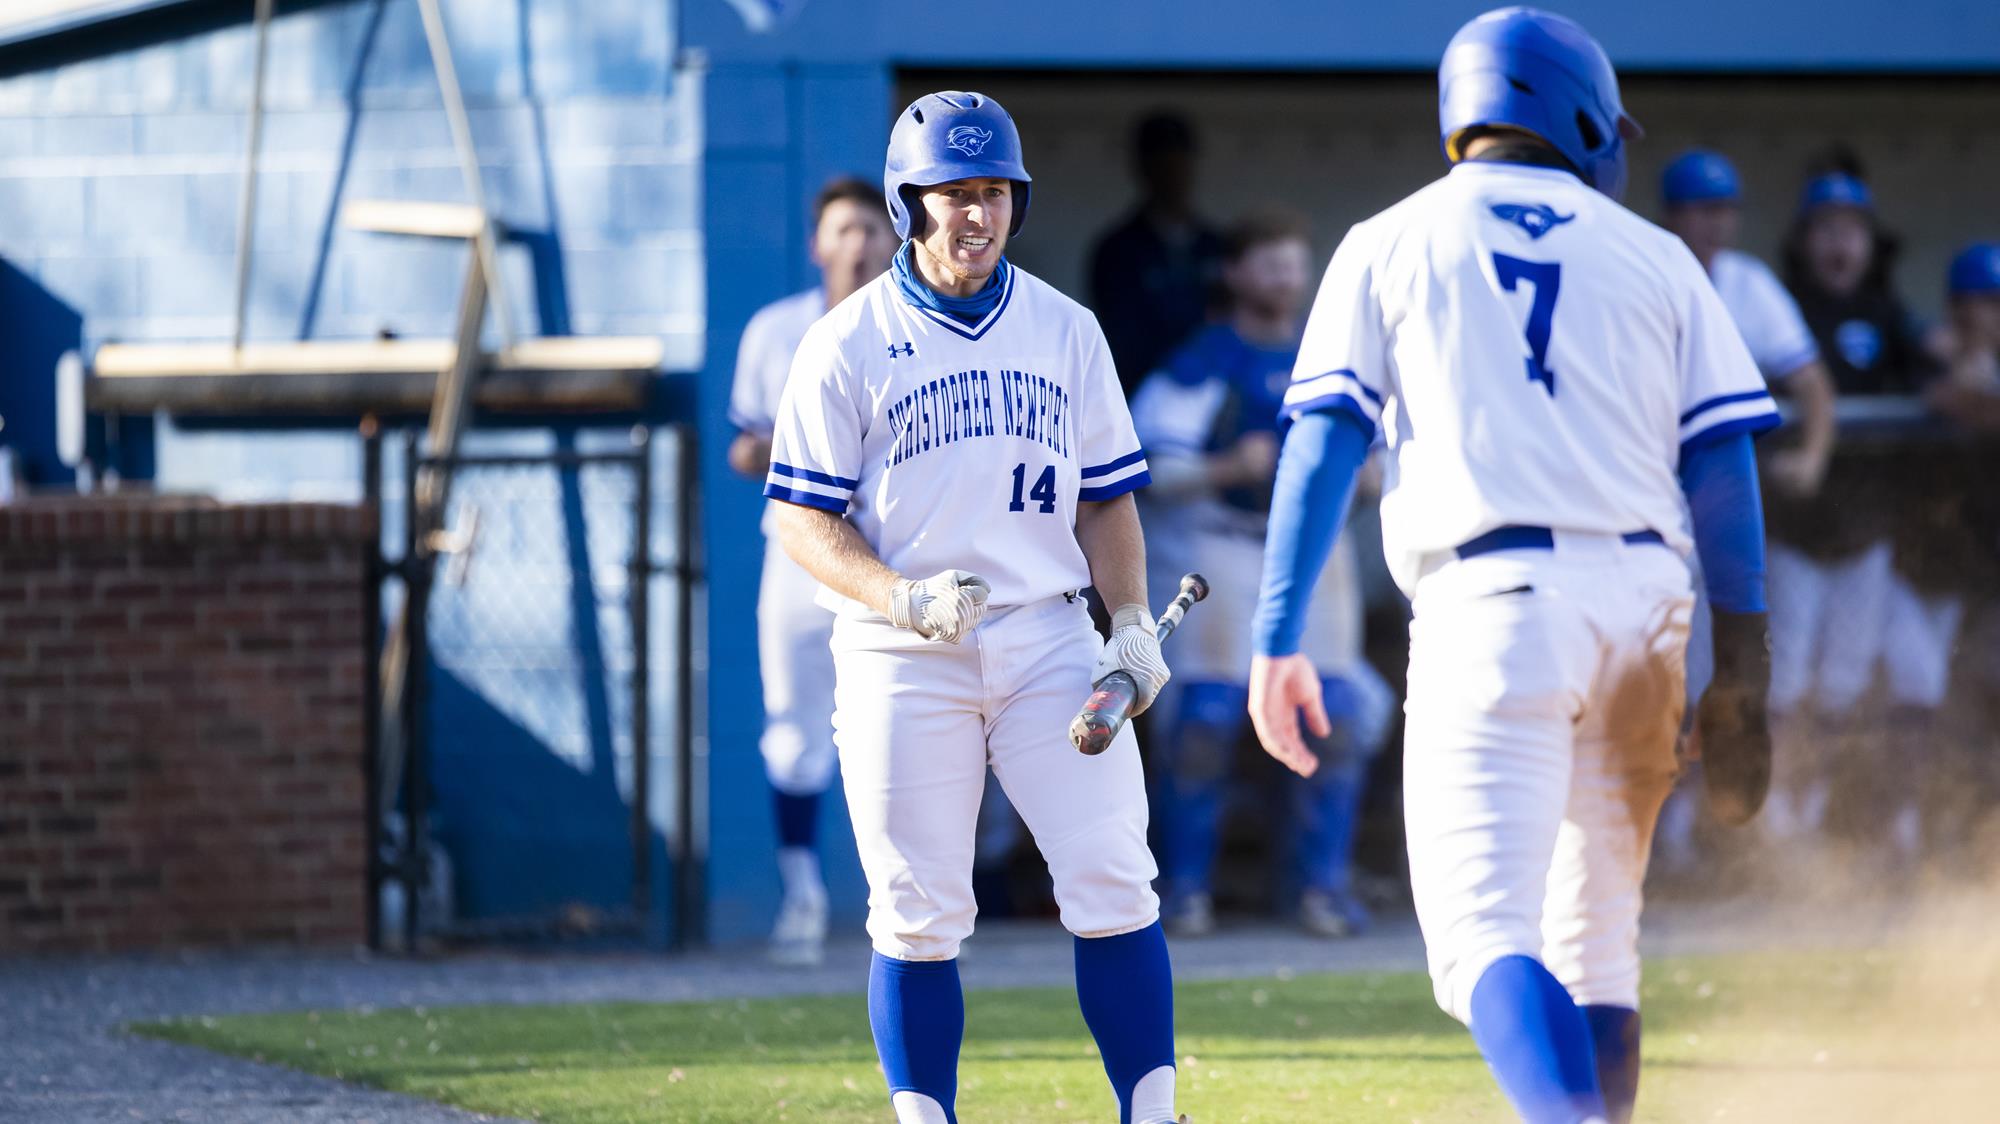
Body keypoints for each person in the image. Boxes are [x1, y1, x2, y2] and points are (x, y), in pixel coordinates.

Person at [1246, 10, 1778, 1123]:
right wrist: (1746, 666)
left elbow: (1320, 442)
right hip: (1648, 610)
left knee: (1482, 932)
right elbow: (1722, 467)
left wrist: (1275, 636)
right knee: (1595, 945)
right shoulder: (1657, 253)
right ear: (1573, 111)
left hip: (1492, 600)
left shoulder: (1387, 237)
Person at [764, 91, 1184, 1124]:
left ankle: (1152, 1107)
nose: (975, 215)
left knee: (1111, 877)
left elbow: (1106, 496)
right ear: (910, 203)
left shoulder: (1064, 327)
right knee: (916, 910)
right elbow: (801, 523)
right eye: (953, 194)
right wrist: (899, 597)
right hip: (900, 648)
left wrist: (1127, 617)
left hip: (1044, 632)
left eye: (992, 192)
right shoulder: (844, 340)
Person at [1130, 208, 1393, 939]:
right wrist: (1225, 467)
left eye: (1292, 259)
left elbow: (1386, 449)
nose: (1283, 274)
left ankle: (1318, 887)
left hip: (1309, 551)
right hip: (1218, 547)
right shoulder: (1206, 358)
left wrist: (1369, 476)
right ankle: (1184, 890)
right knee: (1204, 725)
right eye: (1266, 260)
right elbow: (1144, 463)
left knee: (1336, 716)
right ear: (1233, 274)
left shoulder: (1329, 350)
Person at [727, 176, 897, 965]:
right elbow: (744, 445)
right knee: (794, 727)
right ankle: (801, 894)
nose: (858, 242)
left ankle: (908, 902)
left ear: (894, 237)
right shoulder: (778, 329)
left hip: (889, 549)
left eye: (870, 226)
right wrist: (781, 451)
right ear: (817, 243)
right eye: (843, 228)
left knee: (905, 721)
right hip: (800, 546)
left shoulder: (912, 322)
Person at [1654, 150, 1838, 860]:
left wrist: (1813, 456)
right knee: (1666, 681)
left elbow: (1812, 384)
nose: (1715, 222)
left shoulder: (1746, 283)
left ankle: (1737, 824)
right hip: (1651, 516)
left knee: (1736, 677)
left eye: (1724, 207)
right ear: (1673, 214)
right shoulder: (1648, 266)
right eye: (1702, 208)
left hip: (1722, 512)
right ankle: (1668, 829)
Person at [1769, 166, 1951, 848]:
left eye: (1851, 231)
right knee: (1783, 682)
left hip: (1865, 535)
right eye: (1825, 231)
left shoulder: (1886, 313)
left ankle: (1810, 808)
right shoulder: (1783, 308)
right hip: (1797, 533)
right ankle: (1773, 816)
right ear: (1804, 238)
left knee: (1843, 684)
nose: (1839, 245)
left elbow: (1937, 361)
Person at [1088, 111, 1227, 397]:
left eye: (1179, 160)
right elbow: (1121, 337)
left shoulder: (1214, 245)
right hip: (1142, 396)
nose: (1172, 171)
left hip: (1213, 396)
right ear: (1142, 166)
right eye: (1161, 161)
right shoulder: (1117, 249)